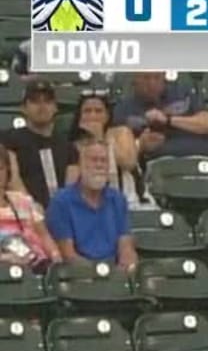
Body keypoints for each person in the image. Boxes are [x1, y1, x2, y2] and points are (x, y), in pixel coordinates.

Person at [44, 140, 137, 268]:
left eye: (103, 161)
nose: (99, 165)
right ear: (80, 165)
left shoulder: (117, 199)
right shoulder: (61, 202)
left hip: (115, 273)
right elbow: (68, 255)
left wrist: (126, 265)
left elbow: (125, 245)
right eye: (93, 160)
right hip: (80, 275)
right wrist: (100, 274)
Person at [113, 71, 208, 169]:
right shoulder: (124, 108)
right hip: (160, 165)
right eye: (146, 78)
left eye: (157, 77)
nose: (152, 84)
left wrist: (169, 120)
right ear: (135, 79)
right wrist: (141, 145)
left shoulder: (182, 92)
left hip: (205, 159)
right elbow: (120, 150)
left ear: (164, 77)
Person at [1, 80, 75, 208]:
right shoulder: (8, 139)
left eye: (47, 101)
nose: (42, 106)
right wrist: (32, 208)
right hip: (22, 213)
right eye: (35, 101)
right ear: (23, 108)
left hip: (62, 215)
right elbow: (12, 179)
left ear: (55, 107)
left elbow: (72, 185)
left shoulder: (67, 145)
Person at [67, 93, 142, 205]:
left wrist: (99, 137)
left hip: (128, 199)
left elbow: (129, 163)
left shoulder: (121, 133)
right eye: (87, 111)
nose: (93, 115)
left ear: (107, 116)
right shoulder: (74, 145)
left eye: (98, 111)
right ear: (80, 117)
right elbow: (74, 181)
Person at [0, 144, 62, 272]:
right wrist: (7, 259)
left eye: (0, 168)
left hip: (38, 269)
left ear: (8, 171)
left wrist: (56, 259)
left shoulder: (23, 201)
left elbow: (44, 236)